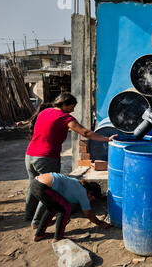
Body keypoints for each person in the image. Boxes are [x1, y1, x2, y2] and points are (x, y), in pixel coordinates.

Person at [24, 92, 118, 229]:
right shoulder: (64, 117)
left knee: (34, 185)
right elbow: (85, 133)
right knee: (47, 190)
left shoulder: (44, 112)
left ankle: (28, 214)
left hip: (30, 155)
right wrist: (106, 139)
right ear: (64, 104)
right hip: (46, 157)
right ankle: (37, 221)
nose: (73, 110)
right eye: (72, 107)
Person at [30, 172, 111, 242]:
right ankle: (58, 238)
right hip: (44, 187)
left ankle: (39, 234)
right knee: (65, 209)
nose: (92, 200)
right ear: (90, 193)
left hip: (35, 183)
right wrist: (100, 223)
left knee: (52, 209)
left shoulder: (77, 183)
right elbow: (88, 214)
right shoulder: (82, 193)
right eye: (93, 198)